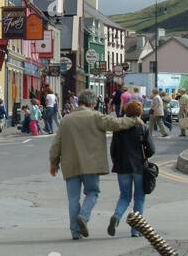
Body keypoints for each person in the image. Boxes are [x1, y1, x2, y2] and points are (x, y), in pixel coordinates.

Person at [49, 88, 138, 240]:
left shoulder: (66, 119)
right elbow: (116, 124)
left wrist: (53, 162)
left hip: (70, 164)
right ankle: (83, 216)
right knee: (92, 193)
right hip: (91, 164)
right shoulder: (95, 116)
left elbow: (56, 144)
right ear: (92, 103)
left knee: (73, 199)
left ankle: (75, 232)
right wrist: (134, 120)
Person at [108, 98, 155, 238]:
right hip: (139, 167)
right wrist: (144, 155)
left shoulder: (119, 128)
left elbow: (113, 149)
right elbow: (151, 149)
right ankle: (136, 230)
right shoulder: (143, 128)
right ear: (139, 114)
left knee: (124, 196)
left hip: (122, 167)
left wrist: (116, 161)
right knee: (139, 198)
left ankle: (116, 216)